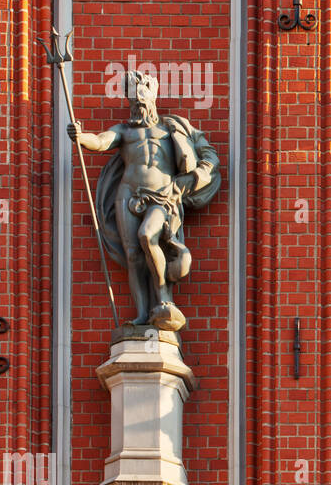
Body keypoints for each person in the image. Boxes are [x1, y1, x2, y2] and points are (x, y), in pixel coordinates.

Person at [69, 71, 220, 331]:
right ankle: (142, 314)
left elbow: (208, 157)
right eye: (134, 102)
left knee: (147, 235)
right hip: (127, 195)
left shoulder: (171, 127)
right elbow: (101, 141)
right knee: (132, 255)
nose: (139, 106)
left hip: (163, 196)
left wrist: (190, 180)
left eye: (143, 101)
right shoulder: (125, 132)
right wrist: (81, 137)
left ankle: (164, 299)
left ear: (153, 100)